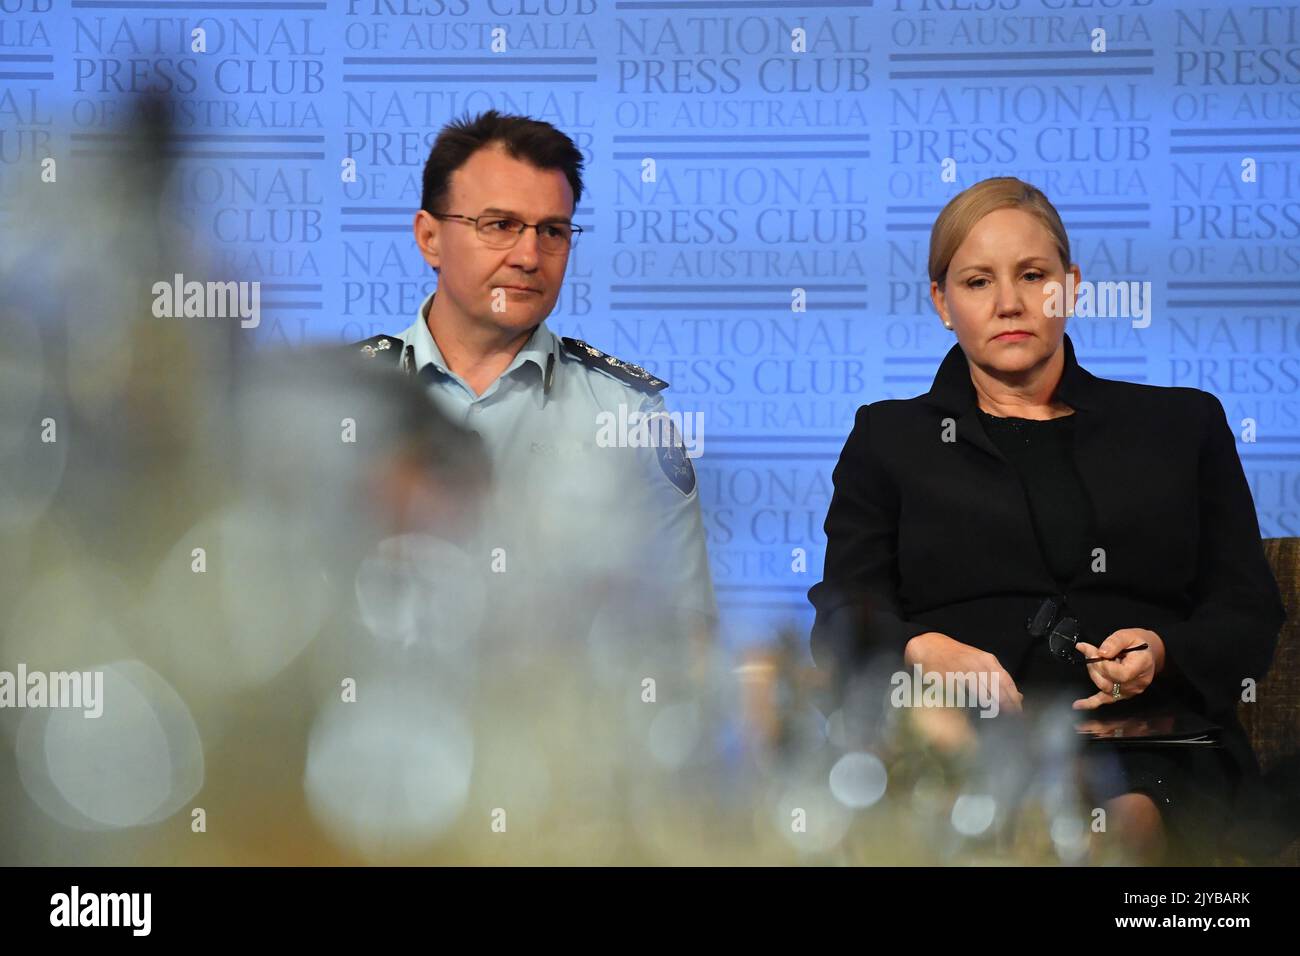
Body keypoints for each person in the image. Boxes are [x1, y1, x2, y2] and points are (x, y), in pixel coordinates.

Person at [808, 176, 1286, 863]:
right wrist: (923, 651)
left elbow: (1246, 611)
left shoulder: (1183, 425)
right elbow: (841, 617)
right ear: (942, 302)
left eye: (1033, 275)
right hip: (959, 745)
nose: (1009, 303)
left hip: (1150, 751)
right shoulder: (890, 438)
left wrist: (1163, 655)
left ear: (1071, 284)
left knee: (1112, 825)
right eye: (977, 282)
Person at [350, 110, 716, 656]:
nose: (528, 257)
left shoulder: (629, 414)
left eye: (552, 231)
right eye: (499, 225)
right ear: (429, 236)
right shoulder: (345, 401)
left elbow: (686, 636)